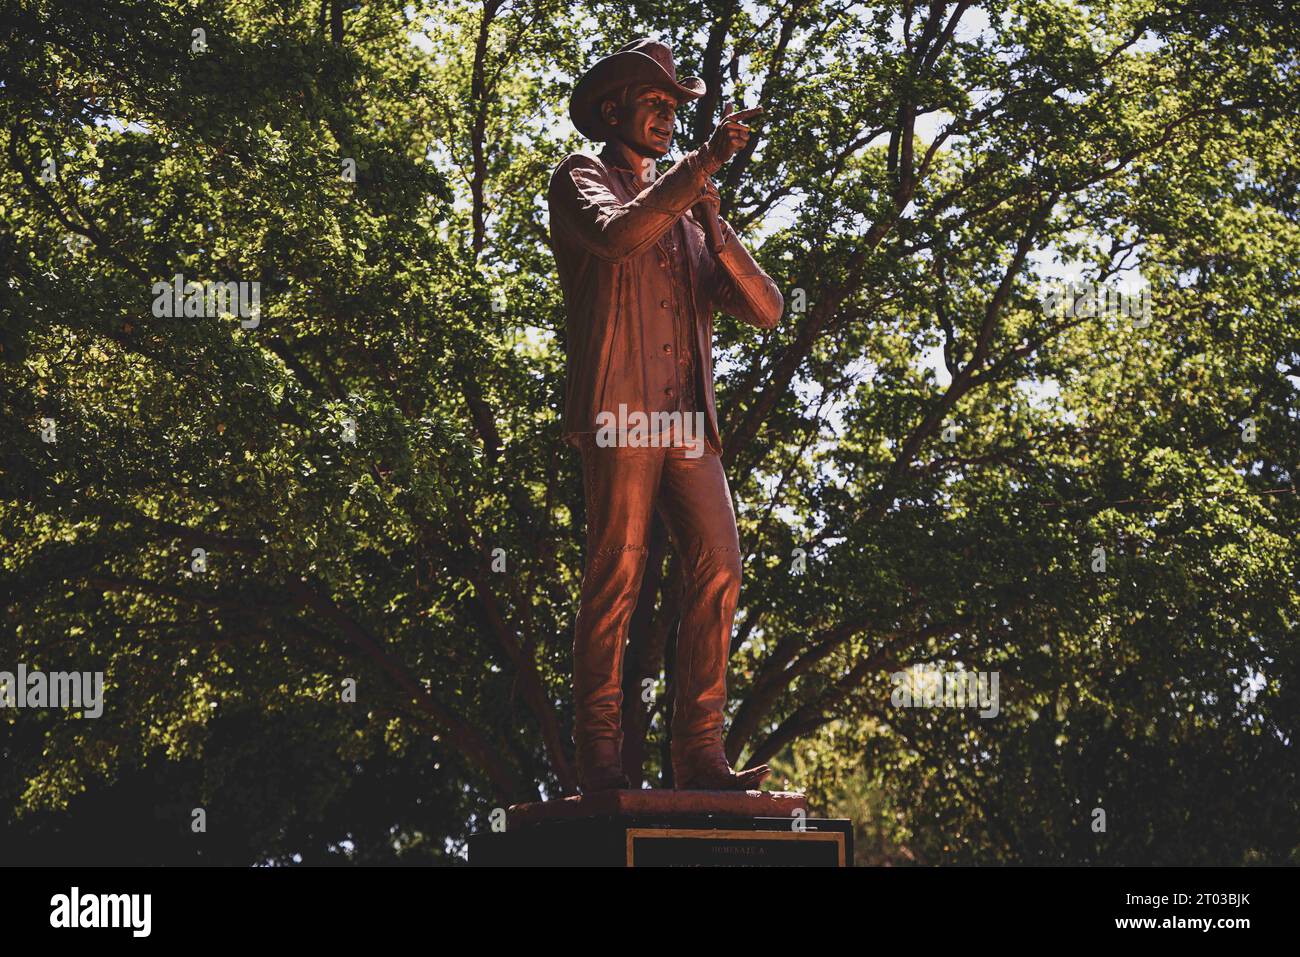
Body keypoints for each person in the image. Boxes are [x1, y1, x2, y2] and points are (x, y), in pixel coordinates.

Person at [548, 37, 784, 791]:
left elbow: (768, 310)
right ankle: (602, 759)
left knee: (720, 564)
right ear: (612, 108)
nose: (668, 117)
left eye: (674, 107)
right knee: (616, 573)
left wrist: (717, 225)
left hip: (687, 424)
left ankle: (700, 755)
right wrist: (699, 170)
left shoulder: (688, 214)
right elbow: (617, 236)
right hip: (621, 411)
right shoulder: (582, 177)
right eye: (654, 103)